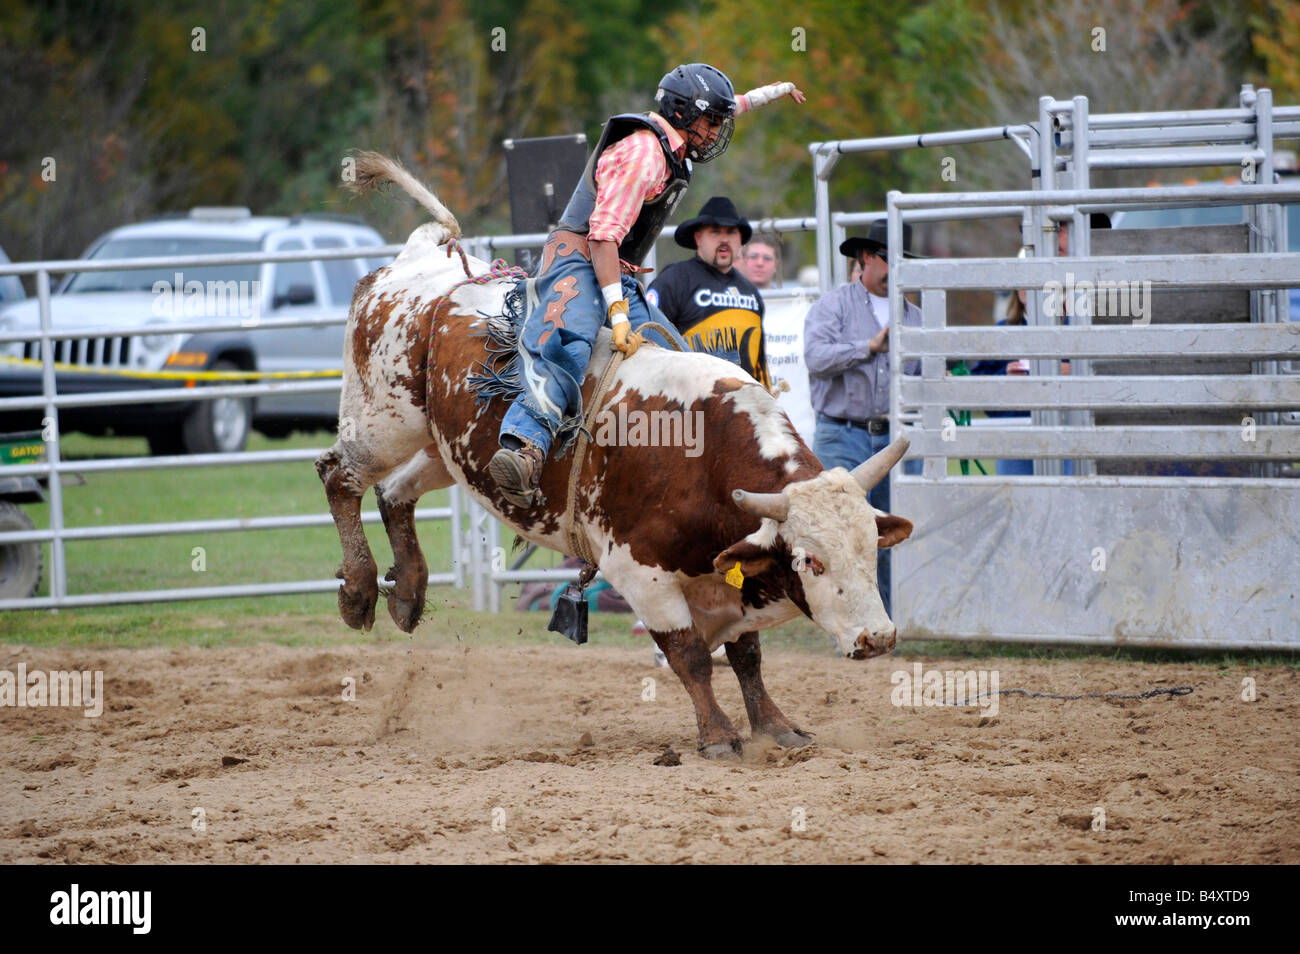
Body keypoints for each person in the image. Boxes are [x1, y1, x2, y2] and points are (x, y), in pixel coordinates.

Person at [478, 64, 804, 508]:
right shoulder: (643, 153)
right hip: (579, 259)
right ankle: (524, 447)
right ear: (685, 113)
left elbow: (737, 105)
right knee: (568, 341)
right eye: (711, 122)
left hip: (615, 267)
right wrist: (616, 312)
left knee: (676, 355)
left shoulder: (673, 141)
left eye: (719, 122)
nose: (717, 133)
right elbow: (602, 236)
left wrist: (775, 91)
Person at [803, 219, 921, 617]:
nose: (896, 269)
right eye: (890, 260)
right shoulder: (832, 305)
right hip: (843, 434)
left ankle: (886, 621)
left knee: (889, 534)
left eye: (903, 260)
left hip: (895, 441)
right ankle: (846, 623)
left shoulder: (915, 315)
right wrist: (868, 347)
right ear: (867, 258)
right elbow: (816, 359)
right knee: (841, 537)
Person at [647, 196, 771, 389]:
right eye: (715, 231)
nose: (724, 239)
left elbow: (760, 360)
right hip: (690, 401)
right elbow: (648, 342)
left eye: (731, 232)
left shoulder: (751, 292)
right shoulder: (674, 280)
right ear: (698, 238)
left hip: (744, 405)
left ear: (740, 240)